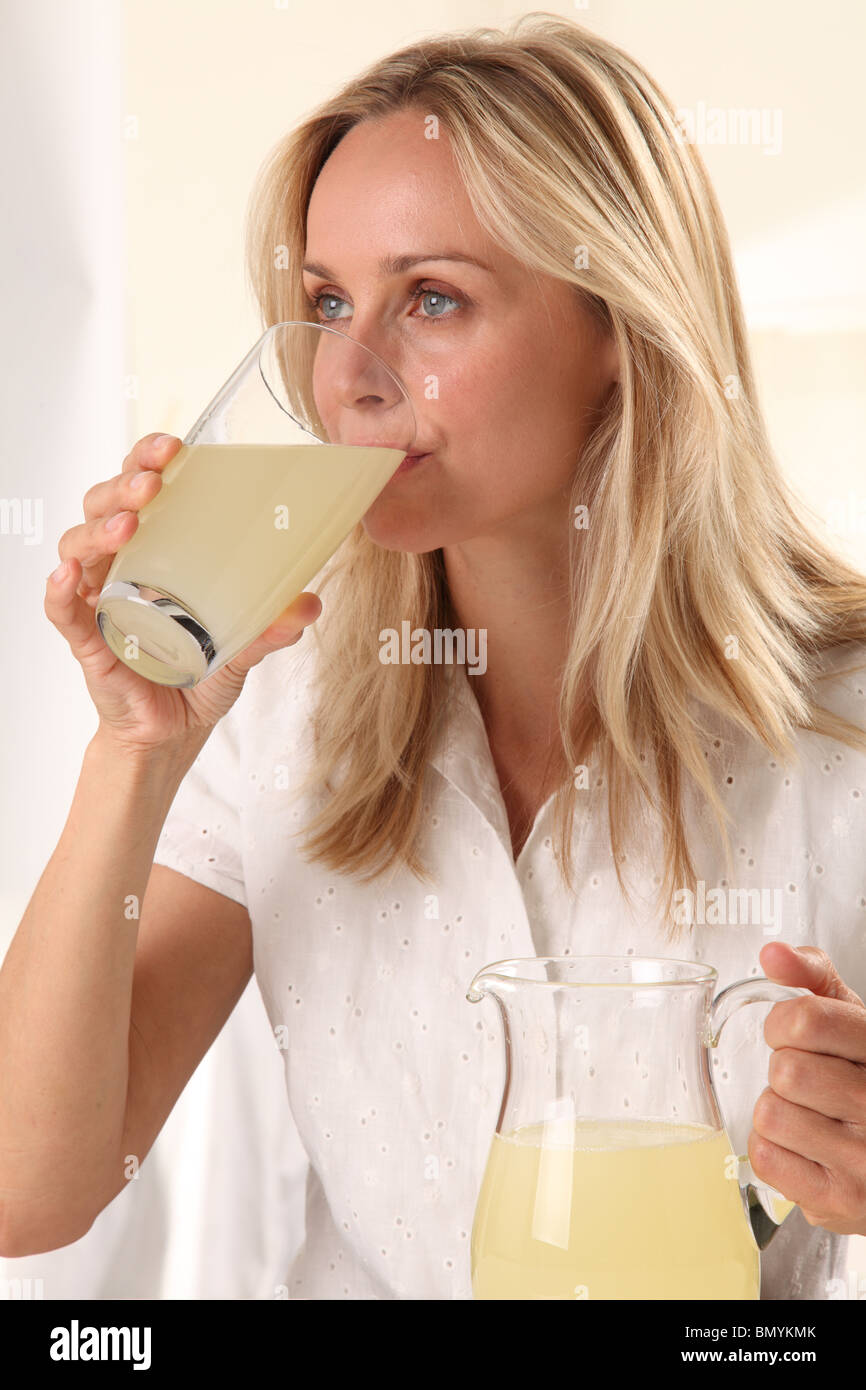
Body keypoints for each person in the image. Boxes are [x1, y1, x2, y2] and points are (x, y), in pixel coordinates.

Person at [3, 13, 866, 1300]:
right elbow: (27, 1191)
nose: (347, 375)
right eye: (326, 305)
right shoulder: (277, 701)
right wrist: (136, 748)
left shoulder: (839, 722)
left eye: (432, 299)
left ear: (619, 329)